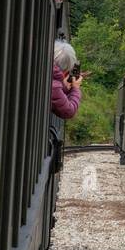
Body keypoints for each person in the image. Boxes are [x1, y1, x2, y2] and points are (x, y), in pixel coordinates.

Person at [50, 40, 82, 172]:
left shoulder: (50, 77)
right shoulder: (54, 84)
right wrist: (75, 89)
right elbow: (68, 111)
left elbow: (57, 92)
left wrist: (66, 87)